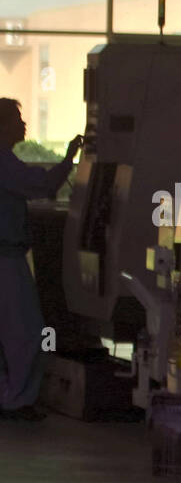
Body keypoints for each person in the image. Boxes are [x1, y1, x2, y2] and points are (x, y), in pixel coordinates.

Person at [0, 98, 81, 421]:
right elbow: (42, 185)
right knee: (29, 332)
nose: (24, 125)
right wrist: (68, 159)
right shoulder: (5, 163)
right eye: (17, 120)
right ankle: (17, 401)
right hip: (6, 261)